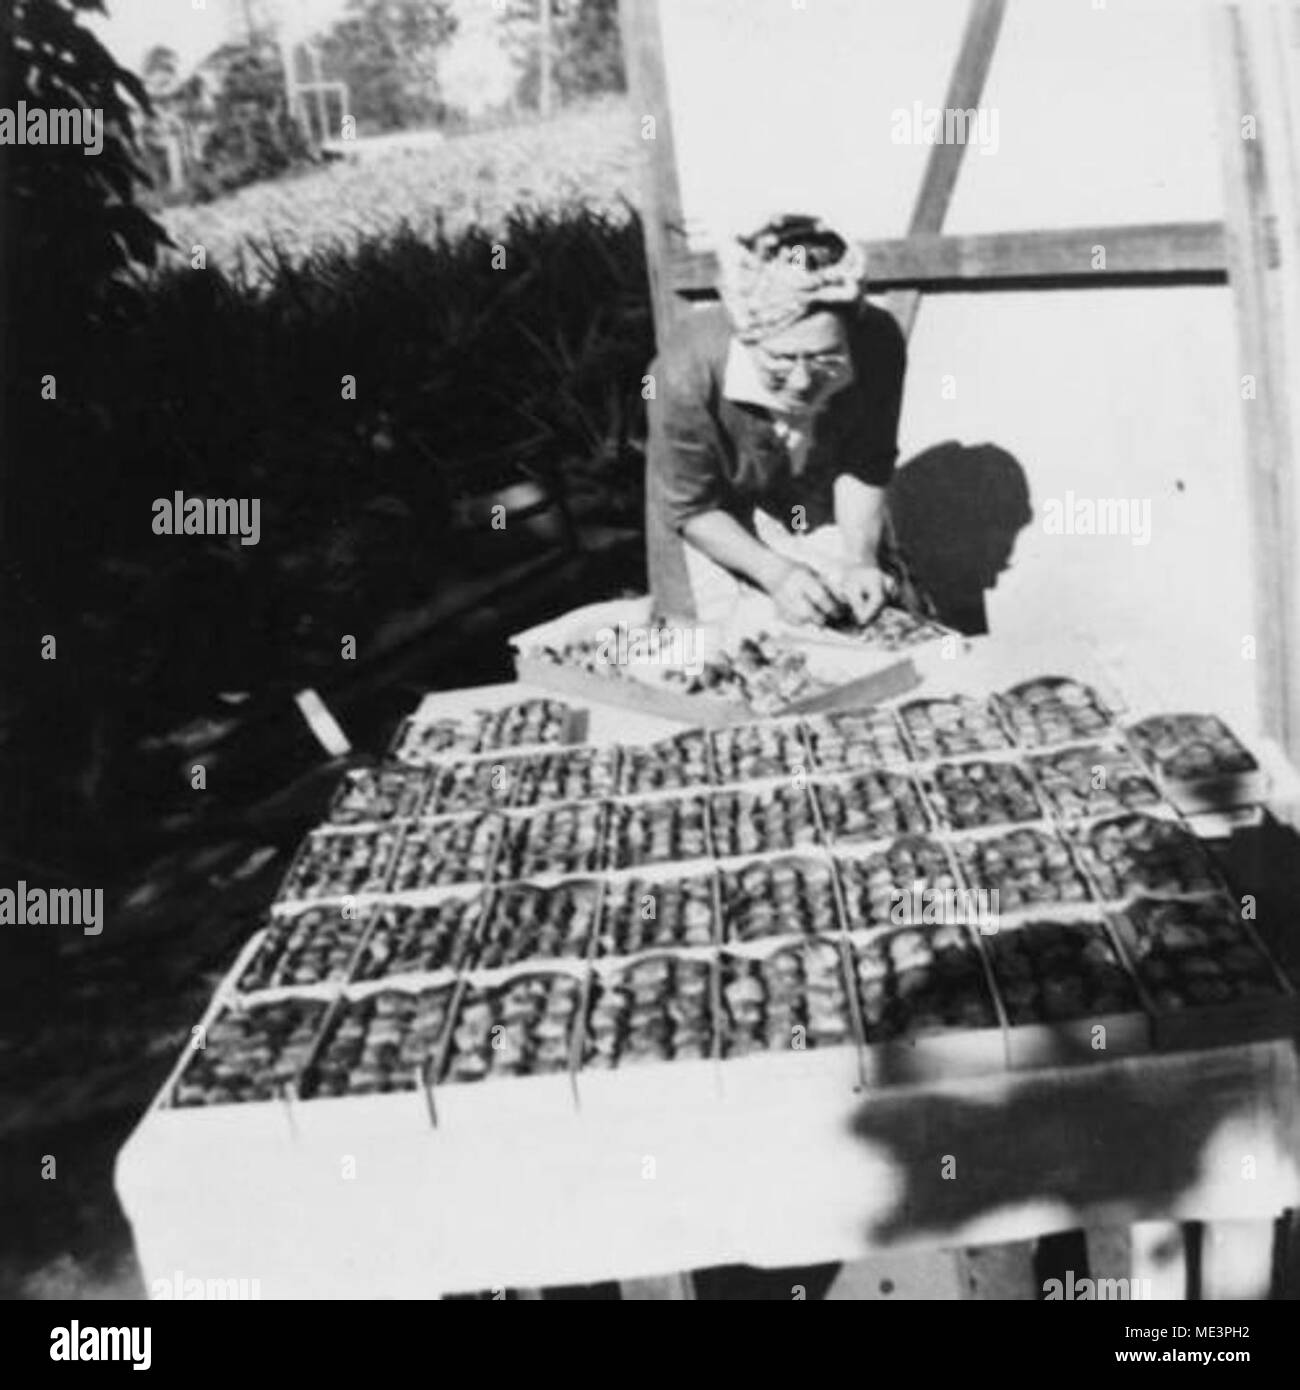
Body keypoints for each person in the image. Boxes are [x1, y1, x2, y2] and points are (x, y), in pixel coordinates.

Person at [645, 213, 910, 632]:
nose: (803, 381)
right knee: (733, 653)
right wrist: (778, 573)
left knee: (869, 620)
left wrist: (860, 559)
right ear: (747, 337)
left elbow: (866, 463)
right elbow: (692, 508)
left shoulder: (878, 342)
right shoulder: (682, 373)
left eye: (826, 359)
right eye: (782, 360)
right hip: (714, 518)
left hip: (814, 495)